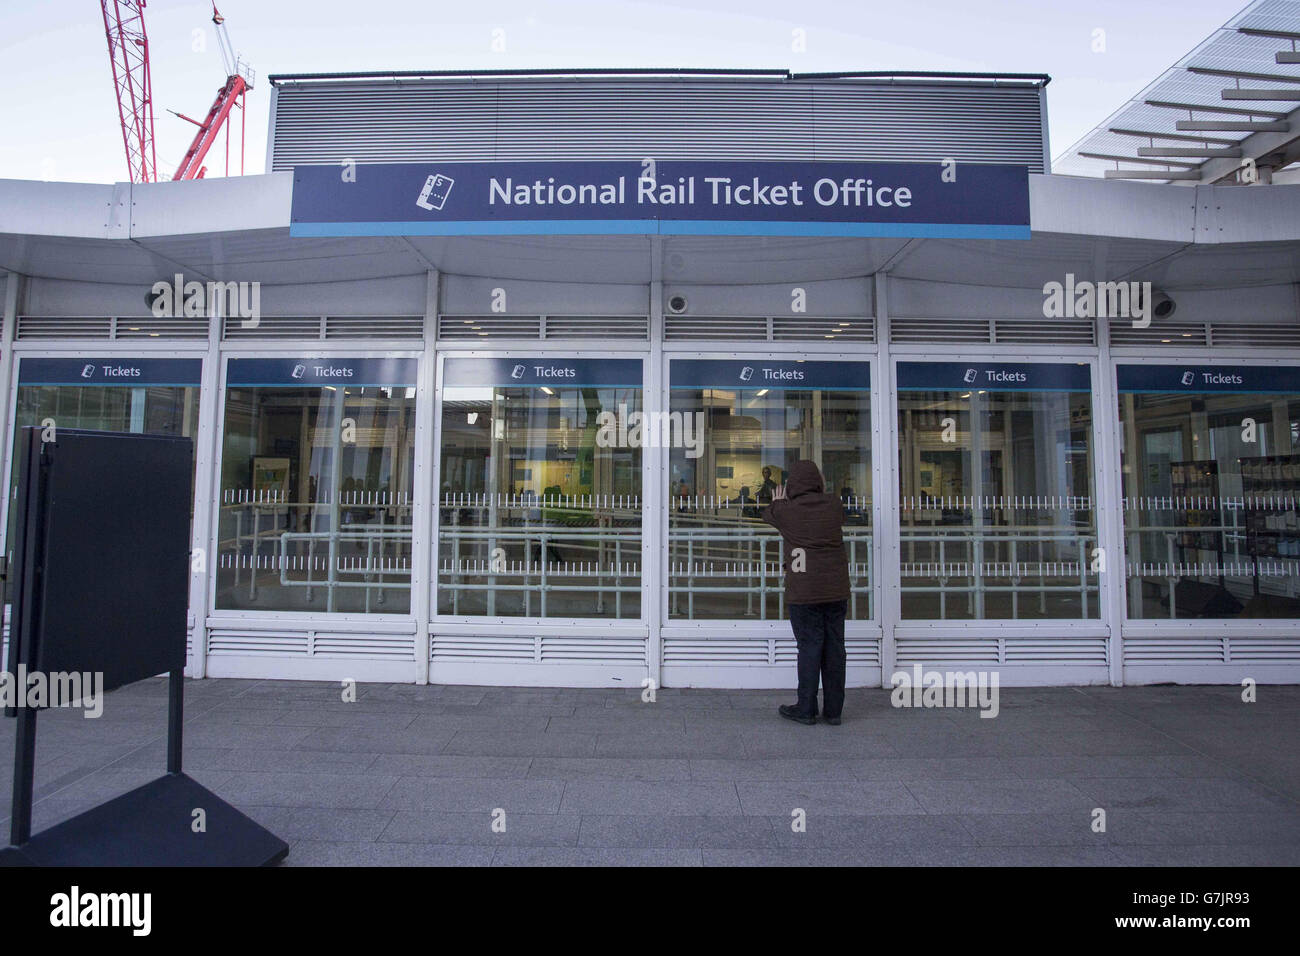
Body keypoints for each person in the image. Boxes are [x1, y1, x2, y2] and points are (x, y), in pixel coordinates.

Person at [762, 459, 850, 726]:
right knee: (835, 648)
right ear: (818, 482)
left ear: (791, 485)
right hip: (836, 590)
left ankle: (806, 707)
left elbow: (768, 515)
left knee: (809, 647)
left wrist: (778, 500)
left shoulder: (788, 511)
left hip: (804, 592)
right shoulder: (835, 505)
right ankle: (833, 711)